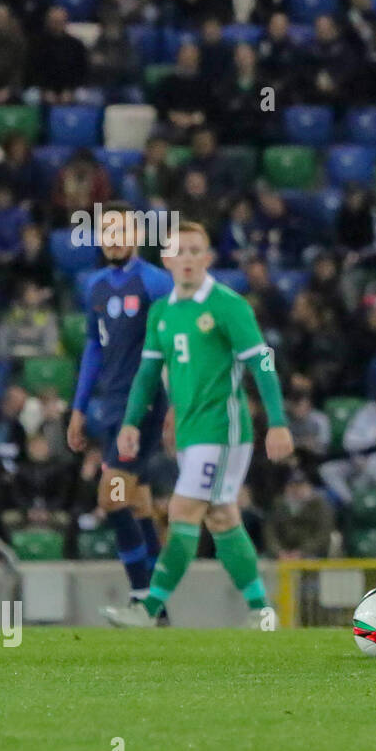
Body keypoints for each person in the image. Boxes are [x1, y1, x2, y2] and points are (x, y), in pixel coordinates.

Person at [102, 222, 293, 629]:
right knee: (221, 517)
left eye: (196, 251)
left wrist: (277, 422)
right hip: (190, 431)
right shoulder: (162, 312)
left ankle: (148, 610)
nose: (188, 259)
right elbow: (148, 375)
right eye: (180, 252)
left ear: (208, 259)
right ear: (167, 260)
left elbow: (261, 361)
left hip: (222, 430)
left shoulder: (227, 305)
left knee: (182, 510)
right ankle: (262, 611)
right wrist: (131, 423)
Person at [68, 206, 175, 620]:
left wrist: (173, 406)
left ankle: (141, 599)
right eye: (107, 230)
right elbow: (94, 349)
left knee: (111, 496)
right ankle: (158, 608)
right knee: (138, 503)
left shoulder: (155, 283)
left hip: (143, 406)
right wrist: (78, 409)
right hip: (110, 406)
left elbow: (172, 346)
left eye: (122, 230)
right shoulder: (94, 285)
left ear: (136, 235)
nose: (114, 237)